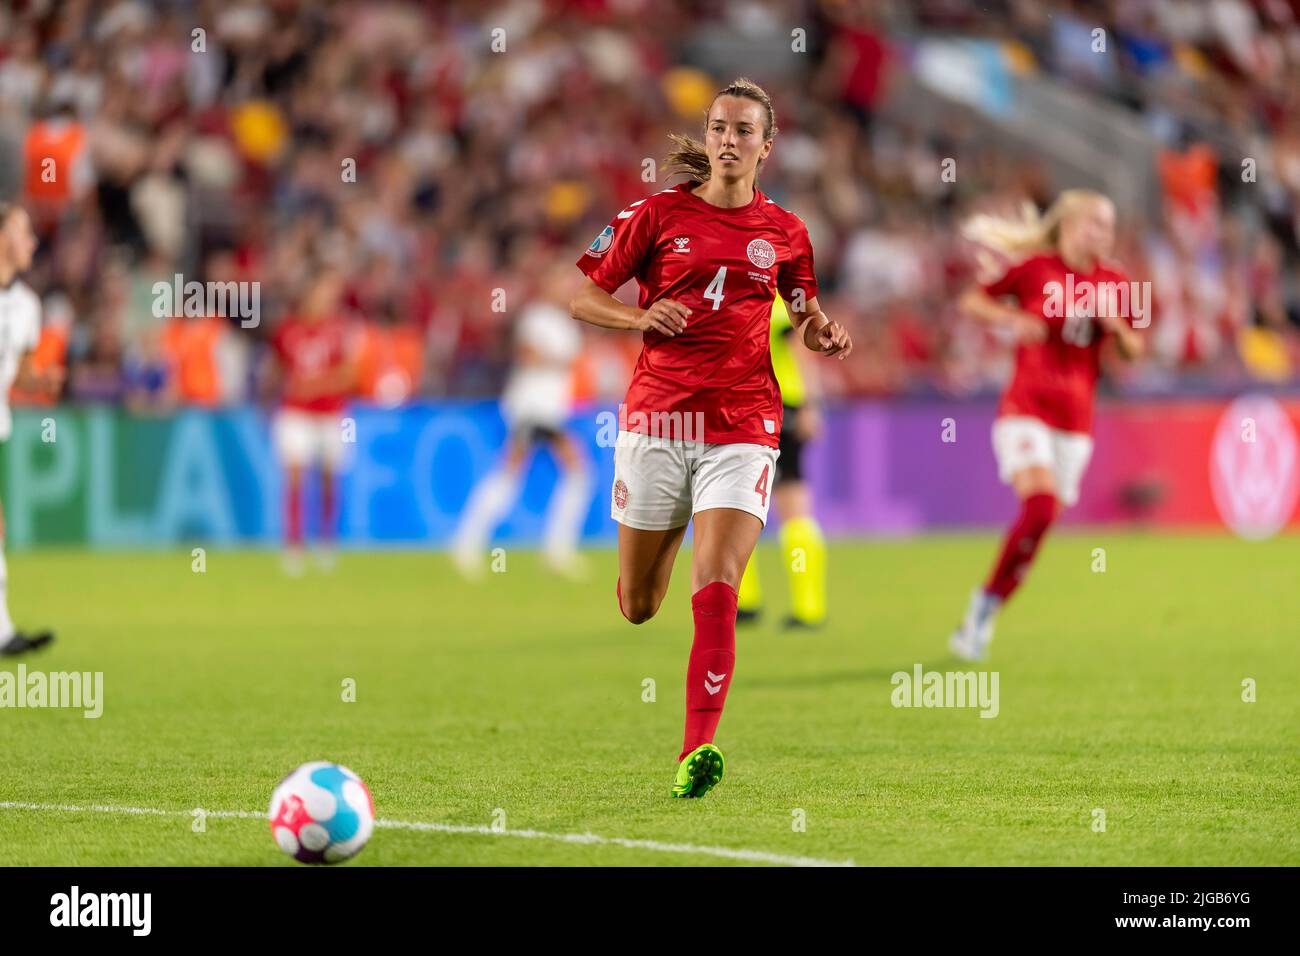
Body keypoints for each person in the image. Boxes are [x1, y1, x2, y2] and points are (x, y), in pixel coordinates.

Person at [569, 78, 852, 798]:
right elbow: (583, 295)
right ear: (709, 135)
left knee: (719, 582)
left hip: (744, 425)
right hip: (659, 422)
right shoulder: (656, 215)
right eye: (720, 128)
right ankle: (643, 581)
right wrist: (639, 319)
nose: (730, 140)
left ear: (767, 144)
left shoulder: (786, 232)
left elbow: (805, 312)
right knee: (639, 602)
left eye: (744, 130)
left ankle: (696, 751)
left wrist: (824, 334)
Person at [950, 190, 1143, 660]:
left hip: (1076, 423)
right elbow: (972, 302)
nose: (1104, 233)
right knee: (1039, 505)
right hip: (1026, 406)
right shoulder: (1036, 268)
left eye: (1108, 224)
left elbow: (1134, 352)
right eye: (1096, 222)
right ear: (1069, 226)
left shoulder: (1116, 281)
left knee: (1043, 519)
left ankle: (988, 602)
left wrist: (1115, 327)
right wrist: (1012, 318)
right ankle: (984, 608)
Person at [453, 265, 592, 579]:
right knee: (535, 471)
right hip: (532, 407)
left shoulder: (567, 322)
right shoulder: (536, 317)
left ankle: (554, 548)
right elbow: (526, 355)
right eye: (562, 282)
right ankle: (471, 542)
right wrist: (561, 362)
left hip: (552, 410)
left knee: (564, 472)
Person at [736, 296, 828, 628]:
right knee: (744, 504)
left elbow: (802, 348)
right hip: (757, 406)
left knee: (776, 504)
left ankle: (803, 607)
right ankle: (754, 603)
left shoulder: (769, 296)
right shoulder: (773, 293)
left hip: (773, 407)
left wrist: (810, 404)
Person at [0, 203, 63, 656]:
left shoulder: (27, 306)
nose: (32, 243)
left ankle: (2, 632)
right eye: (23, 232)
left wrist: (39, 381)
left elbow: (17, 374)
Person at [268, 267, 357, 575]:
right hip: (295, 412)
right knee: (294, 477)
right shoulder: (286, 330)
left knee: (330, 479)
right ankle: (293, 547)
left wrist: (315, 385)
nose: (327, 300)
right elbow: (276, 370)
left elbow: (350, 375)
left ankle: (326, 542)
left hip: (333, 415)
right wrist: (272, 397)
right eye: (322, 293)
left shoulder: (340, 330)